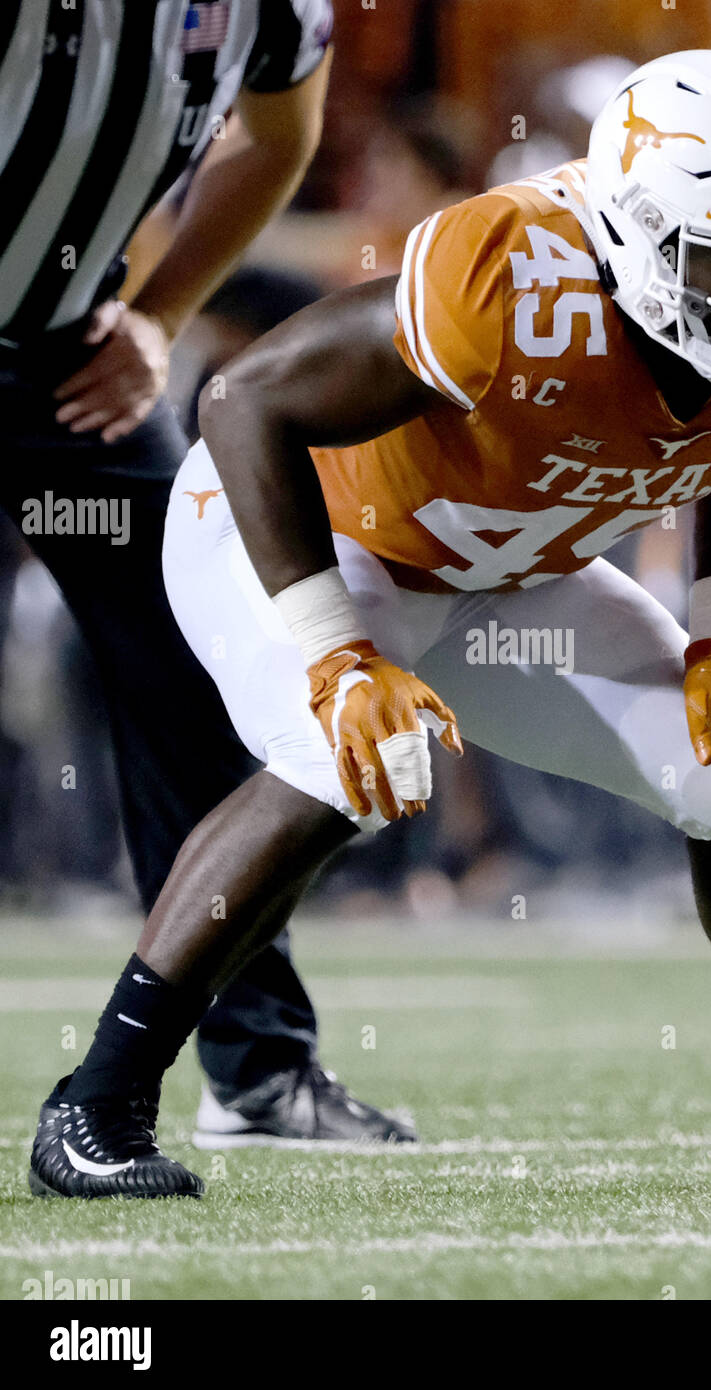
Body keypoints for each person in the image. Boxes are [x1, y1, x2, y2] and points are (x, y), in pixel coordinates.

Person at [30, 49, 711, 1198]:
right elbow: (241, 401)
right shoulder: (510, 278)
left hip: (509, 568)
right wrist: (337, 651)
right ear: (632, 231)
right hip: (306, 530)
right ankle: (96, 1104)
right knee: (348, 753)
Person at [2, 0, 412, 1149]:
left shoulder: (273, 11)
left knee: (200, 671)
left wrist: (158, 314)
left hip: (67, 354)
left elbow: (276, 136)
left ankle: (256, 1068)